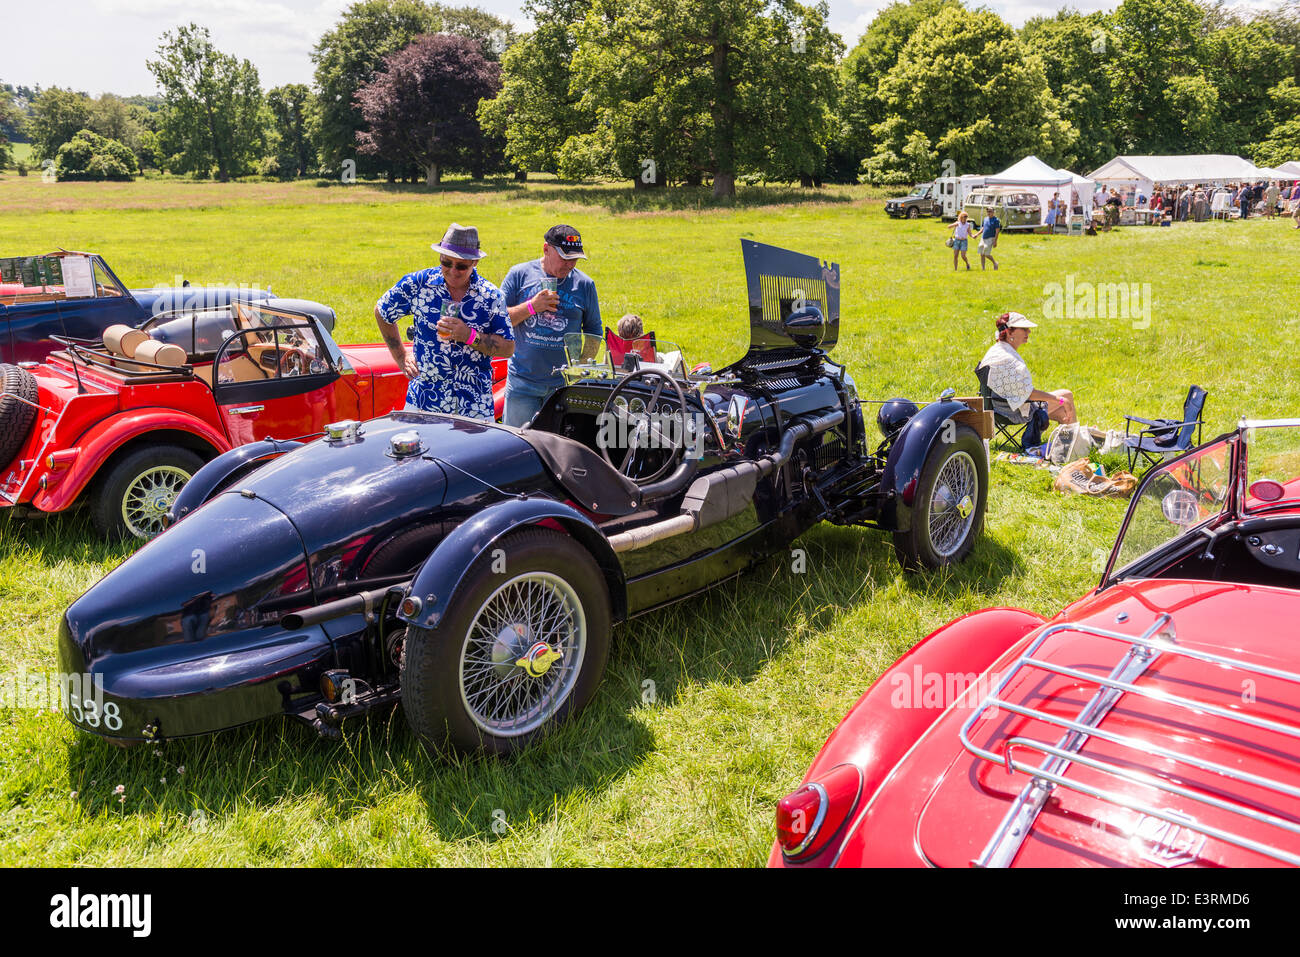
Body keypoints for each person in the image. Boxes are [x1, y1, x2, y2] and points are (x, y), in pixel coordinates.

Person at [374, 223, 514, 420]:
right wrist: (402, 356)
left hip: (474, 405)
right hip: (425, 400)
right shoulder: (418, 284)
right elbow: (382, 311)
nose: (453, 270)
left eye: (461, 266)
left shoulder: (489, 295)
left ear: (475, 262)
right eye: (446, 263)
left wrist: (469, 335)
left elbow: (508, 348)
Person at [500, 224, 602, 427]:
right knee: (516, 446)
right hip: (523, 383)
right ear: (546, 249)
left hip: (562, 388)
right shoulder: (519, 275)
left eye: (574, 259)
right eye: (565, 257)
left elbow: (594, 332)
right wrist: (531, 307)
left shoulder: (584, 285)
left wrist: (578, 372)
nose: (570, 264)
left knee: (557, 448)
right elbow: (498, 321)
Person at [978, 312, 1076, 451]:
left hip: (997, 407)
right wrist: (1059, 399)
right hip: (1011, 412)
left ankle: (1067, 445)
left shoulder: (997, 351)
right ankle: (1073, 446)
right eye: (1024, 329)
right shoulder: (1009, 359)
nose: (1028, 331)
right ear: (1010, 331)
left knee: (1062, 413)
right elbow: (1028, 395)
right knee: (1066, 395)